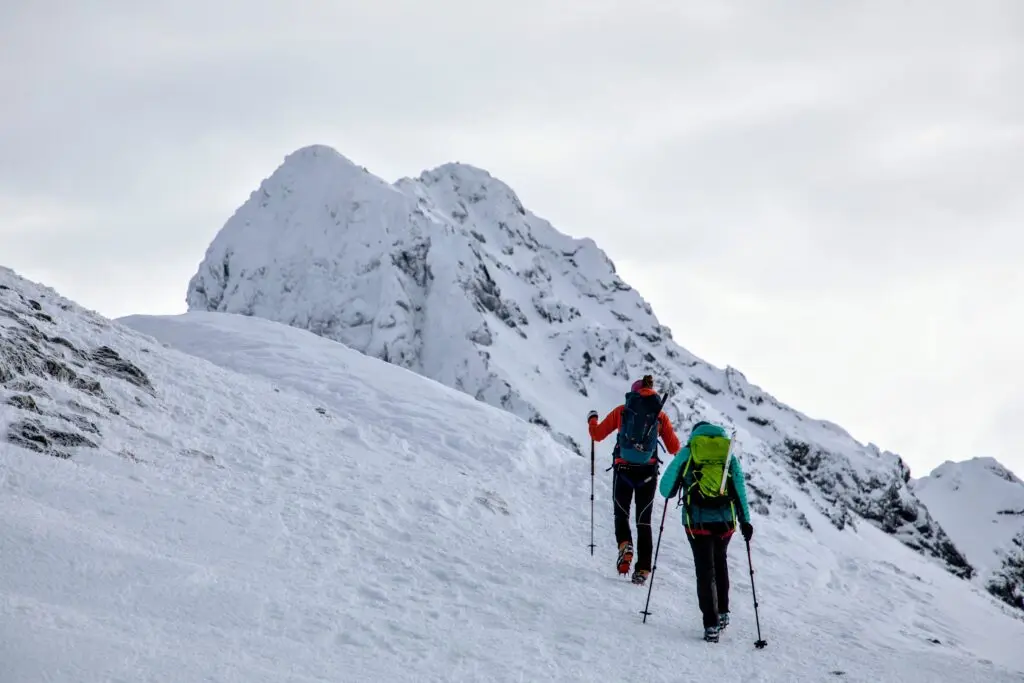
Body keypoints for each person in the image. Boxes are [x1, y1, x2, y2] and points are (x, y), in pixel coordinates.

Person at [659, 420, 753, 642]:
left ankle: (711, 625)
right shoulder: (728, 453)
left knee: (705, 571)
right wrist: (746, 521)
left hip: (697, 523)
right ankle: (723, 613)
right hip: (725, 523)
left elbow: (665, 489)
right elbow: (739, 489)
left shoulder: (689, 451)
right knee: (720, 563)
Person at [587, 375, 681, 585]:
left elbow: (597, 434)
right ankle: (643, 570)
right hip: (647, 473)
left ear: (633, 393)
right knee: (643, 520)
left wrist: (592, 419)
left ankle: (625, 545)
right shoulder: (660, 415)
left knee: (621, 514)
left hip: (623, 469)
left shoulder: (623, 410)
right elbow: (674, 447)